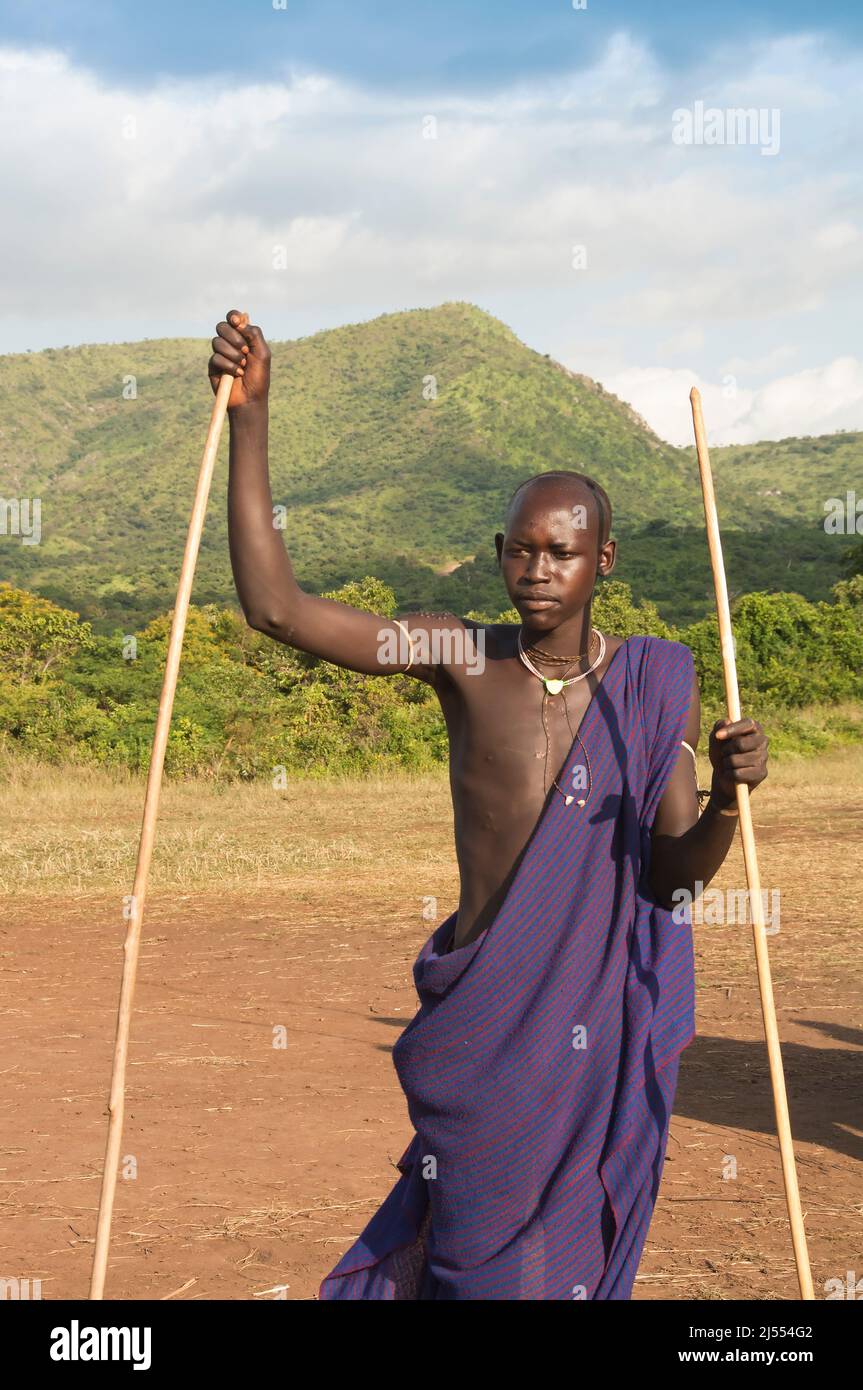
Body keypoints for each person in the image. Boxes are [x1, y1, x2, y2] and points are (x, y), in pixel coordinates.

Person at [208, 309, 769, 1300]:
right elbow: (277, 609)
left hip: (585, 1030)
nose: (537, 570)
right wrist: (252, 419)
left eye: (561, 551)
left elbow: (673, 870)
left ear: (604, 560)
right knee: (469, 1252)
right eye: (521, 550)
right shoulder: (459, 658)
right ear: (497, 552)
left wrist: (726, 794)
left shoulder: (647, 690)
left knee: (559, 1267)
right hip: (483, 1030)